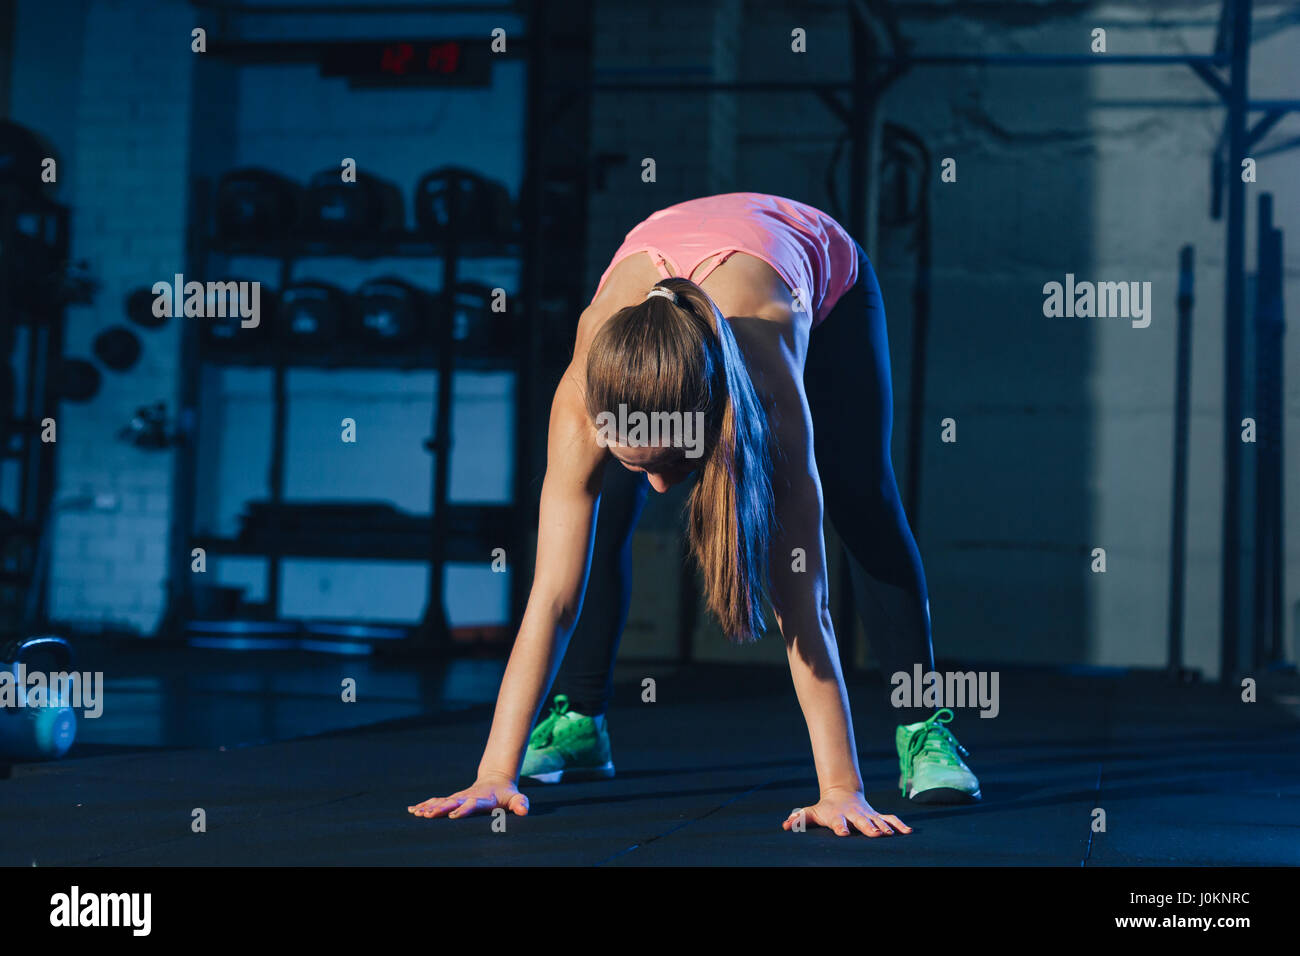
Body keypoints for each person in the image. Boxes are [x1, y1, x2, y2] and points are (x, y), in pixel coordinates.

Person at [409, 193, 980, 836]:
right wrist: (494, 774)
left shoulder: (766, 383)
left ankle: (923, 726)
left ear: (713, 422)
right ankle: (580, 722)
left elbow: (806, 604)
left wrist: (840, 789)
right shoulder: (581, 389)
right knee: (604, 515)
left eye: (673, 465)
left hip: (815, 267)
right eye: (637, 459)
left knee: (862, 495)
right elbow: (551, 598)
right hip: (673, 259)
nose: (661, 488)